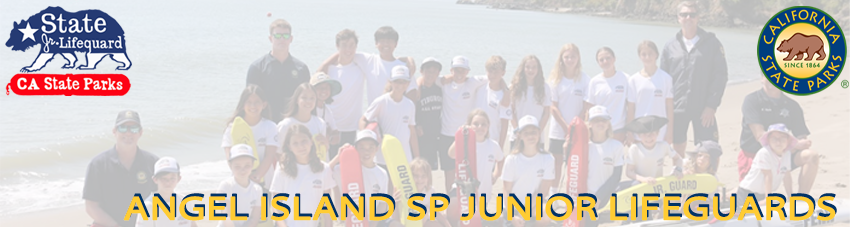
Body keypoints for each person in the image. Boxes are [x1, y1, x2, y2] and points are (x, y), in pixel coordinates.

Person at [660, 0, 728, 157]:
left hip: (703, 108)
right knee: (677, 145)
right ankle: (680, 173)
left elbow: (720, 76)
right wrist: (664, 107)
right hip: (677, 108)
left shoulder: (712, 43)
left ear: (698, 18)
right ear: (678, 18)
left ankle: (710, 179)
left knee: (710, 148)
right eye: (684, 15)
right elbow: (663, 79)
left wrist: (711, 105)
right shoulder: (670, 46)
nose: (688, 18)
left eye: (692, 14)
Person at [738, 74, 819, 194]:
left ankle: (801, 198)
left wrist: (801, 143)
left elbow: (801, 136)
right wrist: (794, 144)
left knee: (811, 156)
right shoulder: (752, 100)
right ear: (761, 78)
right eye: (768, 76)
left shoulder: (792, 106)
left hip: (782, 155)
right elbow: (760, 136)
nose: (772, 80)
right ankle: (720, 199)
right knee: (749, 192)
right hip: (754, 155)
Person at [83, 110, 159, 227]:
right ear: (114, 131)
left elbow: (164, 198)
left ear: (141, 133)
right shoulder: (98, 164)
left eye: (134, 129)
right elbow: (91, 206)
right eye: (123, 128)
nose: (128, 133)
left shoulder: (153, 163)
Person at [432, 55, 491, 192]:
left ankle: (468, 200)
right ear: (451, 70)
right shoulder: (443, 83)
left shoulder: (473, 82)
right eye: (456, 70)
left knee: (466, 170)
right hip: (446, 134)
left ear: (468, 72)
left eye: (463, 71)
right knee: (449, 171)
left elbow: (495, 77)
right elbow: (424, 78)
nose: (460, 74)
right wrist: (445, 77)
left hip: (466, 135)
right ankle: (451, 201)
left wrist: (505, 91)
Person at [319, 26, 418, 104]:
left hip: (396, 117)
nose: (386, 45)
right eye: (382, 41)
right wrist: (324, 65)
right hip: (374, 118)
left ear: (396, 44)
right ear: (376, 43)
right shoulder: (368, 60)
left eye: (389, 41)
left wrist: (409, 59)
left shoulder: (404, 67)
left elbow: (412, 96)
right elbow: (346, 52)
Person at [567, 106, 624, 227]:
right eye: (596, 120)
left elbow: (616, 176)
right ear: (590, 124)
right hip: (584, 196)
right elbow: (574, 173)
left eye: (604, 120)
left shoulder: (616, 146)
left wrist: (598, 197)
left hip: (605, 195)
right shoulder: (583, 146)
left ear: (608, 124)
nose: (600, 123)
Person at [331, 130, 402, 227]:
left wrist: (372, 224)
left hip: (376, 220)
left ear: (377, 149)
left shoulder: (382, 173)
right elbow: (322, 172)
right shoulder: (344, 169)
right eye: (362, 148)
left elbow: (382, 203)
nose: (366, 152)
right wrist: (338, 157)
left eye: (371, 148)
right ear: (355, 149)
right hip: (353, 221)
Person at [446, 109, 505, 226]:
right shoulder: (464, 142)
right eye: (476, 124)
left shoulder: (493, 145)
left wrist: (496, 175)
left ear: (488, 126)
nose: (480, 127)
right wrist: (459, 136)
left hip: (482, 192)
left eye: (483, 124)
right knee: (452, 208)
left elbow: (501, 159)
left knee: (476, 221)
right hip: (462, 187)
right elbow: (451, 154)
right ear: (469, 125)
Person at [270, 124, 335, 227]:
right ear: (289, 147)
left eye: (304, 141)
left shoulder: (324, 169)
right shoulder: (282, 168)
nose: (301, 146)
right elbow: (276, 206)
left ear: (311, 141)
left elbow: (326, 207)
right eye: (295, 143)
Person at [246, 19, 310, 123]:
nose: (282, 39)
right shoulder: (257, 68)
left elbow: (308, 99)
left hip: (294, 125)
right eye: (277, 36)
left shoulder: (301, 68)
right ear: (270, 38)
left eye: (285, 36)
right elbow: (250, 102)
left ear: (291, 39)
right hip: (265, 124)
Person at [548, 43, 591, 198]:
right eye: (566, 57)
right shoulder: (555, 80)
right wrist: (566, 127)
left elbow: (586, 106)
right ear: (561, 59)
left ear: (578, 58)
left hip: (578, 130)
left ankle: (572, 195)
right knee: (556, 163)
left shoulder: (585, 79)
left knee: (575, 164)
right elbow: (553, 107)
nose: (570, 59)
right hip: (558, 130)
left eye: (573, 56)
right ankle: (554, 196)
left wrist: (574, 126)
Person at [623, 115, 683, 221]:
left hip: (658, 187)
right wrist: (643, 179)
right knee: (641, 218)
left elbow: (678, 159)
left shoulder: (663, 146)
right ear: (638, 136)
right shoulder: (635, 149)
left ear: (658, 133)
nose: (649, 138)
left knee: (667, 211)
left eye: (652, 134)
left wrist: (677, 169)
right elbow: (629, 172)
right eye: (645, 135)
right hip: (641, 188)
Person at [501, 115, 555, 227]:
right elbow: (507, 190)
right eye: (526, 133)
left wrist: (525, 211)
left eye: (533, 132)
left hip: (533, 205)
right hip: (513, 206)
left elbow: (543, 190)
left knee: (547, 212)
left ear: (539, 133)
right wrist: (512, 215)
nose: (531, 136)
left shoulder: (548, 159)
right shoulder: (511, 159)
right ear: (519, 135)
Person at [222, 85, 279, 189]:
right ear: (242, 105)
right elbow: (229, 157)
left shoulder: (270, 126)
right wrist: (244, 178)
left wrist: (257, 176)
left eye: (257, 102)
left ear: (264, 104)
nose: (253, 106)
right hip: (239, 181)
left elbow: (269, 156)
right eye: (248, 102)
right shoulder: (232, 128)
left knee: (263, 206)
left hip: (265, 181)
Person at [360, 65, 419, 165]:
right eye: (397, 81)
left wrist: (417, 157)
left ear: (408, 83)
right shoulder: (381, 101)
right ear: (390, 82)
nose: (400, 85)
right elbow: (363, 120)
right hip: (383, 157)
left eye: (404, 81)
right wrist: (366, 138)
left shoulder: (410, 104)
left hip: (404, 157)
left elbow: (412, 133)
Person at [326, 29, 366, 160]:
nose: (348, 49)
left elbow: (383, 61)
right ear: (337, 46)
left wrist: (408, 60)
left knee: (347, 167)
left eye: (352, 45)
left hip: (351, 127)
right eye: (344, 45)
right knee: (329, 166)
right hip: (330, 126)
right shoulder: (329, 69)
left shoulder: (361, 68)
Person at [737, 123, 798, 207]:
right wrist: (768, 199)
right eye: (774, 139)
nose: (778, 142)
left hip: (763, 193)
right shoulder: (764, 153)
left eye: (782, 139)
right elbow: (767, 176)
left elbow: (787, 176)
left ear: (788, 141)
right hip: (748, 193)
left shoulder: (786, 153)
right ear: (768, 141)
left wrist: (791, 197)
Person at [627, 40, 674, 145]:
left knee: (658, 161)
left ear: (656, 55)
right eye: (644, 54)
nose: (647, 57)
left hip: (660, 131)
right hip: (639, 130)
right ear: (639, 56)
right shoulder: (633, 80)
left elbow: (669, 106)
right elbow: (631, 108)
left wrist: (669, 132)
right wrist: (630, 131)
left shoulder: (666, 78)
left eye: (650, 53)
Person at [135, 157, 198, 227]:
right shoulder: (148, 206)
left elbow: (192, 224)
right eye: (163, 179)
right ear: (155, 180)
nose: (168, 182)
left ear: (179, 179)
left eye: (172, 178)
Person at [415, 57, 448, 189]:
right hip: (419, 136)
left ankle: (428, 198)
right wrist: (417, 124)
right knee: (417, 170)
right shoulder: (416, 90)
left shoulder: (439, 89)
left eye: (434, 71)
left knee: (428, 171)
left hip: (434, 136)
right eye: (428, 71)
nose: (431, 74)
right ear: (421, 71)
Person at [586, 47, 630, 143]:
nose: (605, 61)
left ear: (614, 59)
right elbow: (590, 108)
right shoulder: (594, 81)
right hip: (599, 129)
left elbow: (630, 106)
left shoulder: (625, 78)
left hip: (618, 129)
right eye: (601, 60)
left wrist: (630, 131)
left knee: (616, 157)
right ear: (598, 63)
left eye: (608, 58)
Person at [393, 158, 452, 227]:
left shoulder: (430, 191)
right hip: (404, 221)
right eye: (416, 176)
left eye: (423, 176)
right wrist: (395, 202)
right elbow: (395, 216)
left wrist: (446, 224)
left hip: (422, 222)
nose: (419, 179)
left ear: (428, 178)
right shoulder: (404, 190)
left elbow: (435, 211)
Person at [215, 144, 263, 227]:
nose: (243, 170)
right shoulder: (226, 186)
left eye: (247, 166)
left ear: (252, 165)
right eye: (237, 166)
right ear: (230, 166)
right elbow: (226, 217)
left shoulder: (257, 189)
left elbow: (254, 218)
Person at [276, 83, 330, 158]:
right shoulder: (285, 125)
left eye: (312, 98)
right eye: (304, 98)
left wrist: (326, 145)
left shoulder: (320, 123)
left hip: (315, 168)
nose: (308, 101)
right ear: (297, 100)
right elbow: (279, 153)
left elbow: (323, 154)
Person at [509, 54, 551, 148]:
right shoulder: (514, 86)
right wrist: (517, 130)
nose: (531, 70)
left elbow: (546, 113)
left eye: (534, 67)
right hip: (517, 136)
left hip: (537, 138)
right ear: (523, 68)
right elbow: (510, 111)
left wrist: (538, 132)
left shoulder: (545, 87)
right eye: (528, 67)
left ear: (538, 69)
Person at [475, 55, 511, 149]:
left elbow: (504, 124)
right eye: (490, 71)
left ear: (503, 73)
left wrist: (500, 147)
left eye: (496, 72)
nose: (492, 75)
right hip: (474, 140)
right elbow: (463, 79)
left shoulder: (504, 97)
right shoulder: (479, 85)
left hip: (492, 142)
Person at [680, 140, 722, 213]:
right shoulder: (683, 164)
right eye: (700, 155)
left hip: (697, 201)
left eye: (707, 157)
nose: (702, 159)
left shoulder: (712, 178)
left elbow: (713, 198)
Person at [312, 72, 343, 157]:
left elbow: (337, 137)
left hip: (323, 154)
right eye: (319, 88)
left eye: (327, 88)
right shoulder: (307, 110)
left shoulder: (328, 111)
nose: (324, 91)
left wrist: (328, 138)